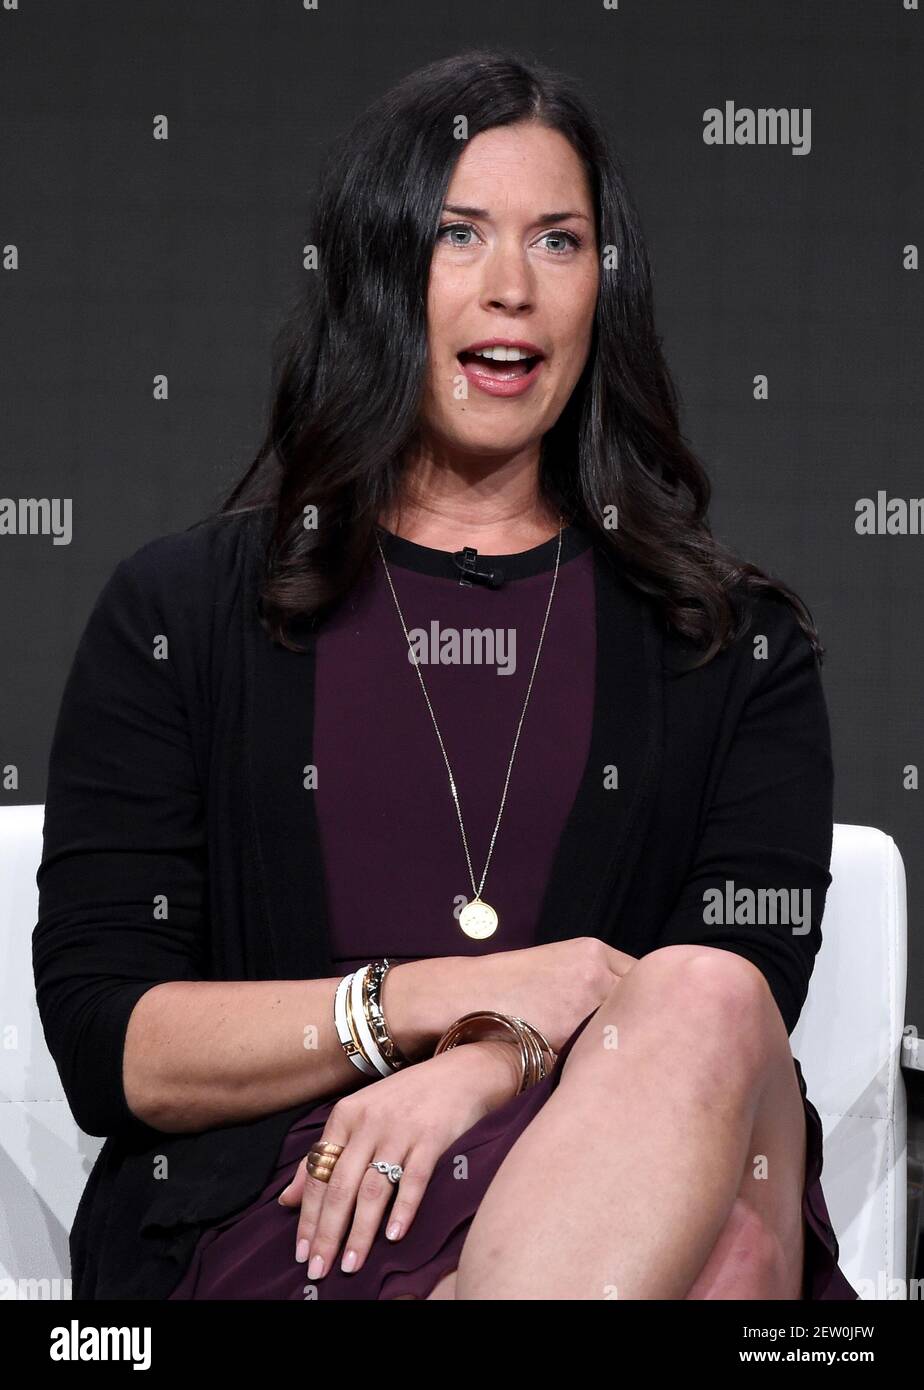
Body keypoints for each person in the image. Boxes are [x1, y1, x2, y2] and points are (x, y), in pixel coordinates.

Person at [33, 48, 859, 1300]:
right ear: (378, 274)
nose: (513, 288)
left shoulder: (728, 644)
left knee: (707, 1025)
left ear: (605, 288)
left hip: (632, 1171)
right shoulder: (185, 612)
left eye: (560, 242)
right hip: (314, 1207)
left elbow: (725, 1019)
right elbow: (115, 1041)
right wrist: (443, 1005)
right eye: (459, 235)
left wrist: (492, 1060)